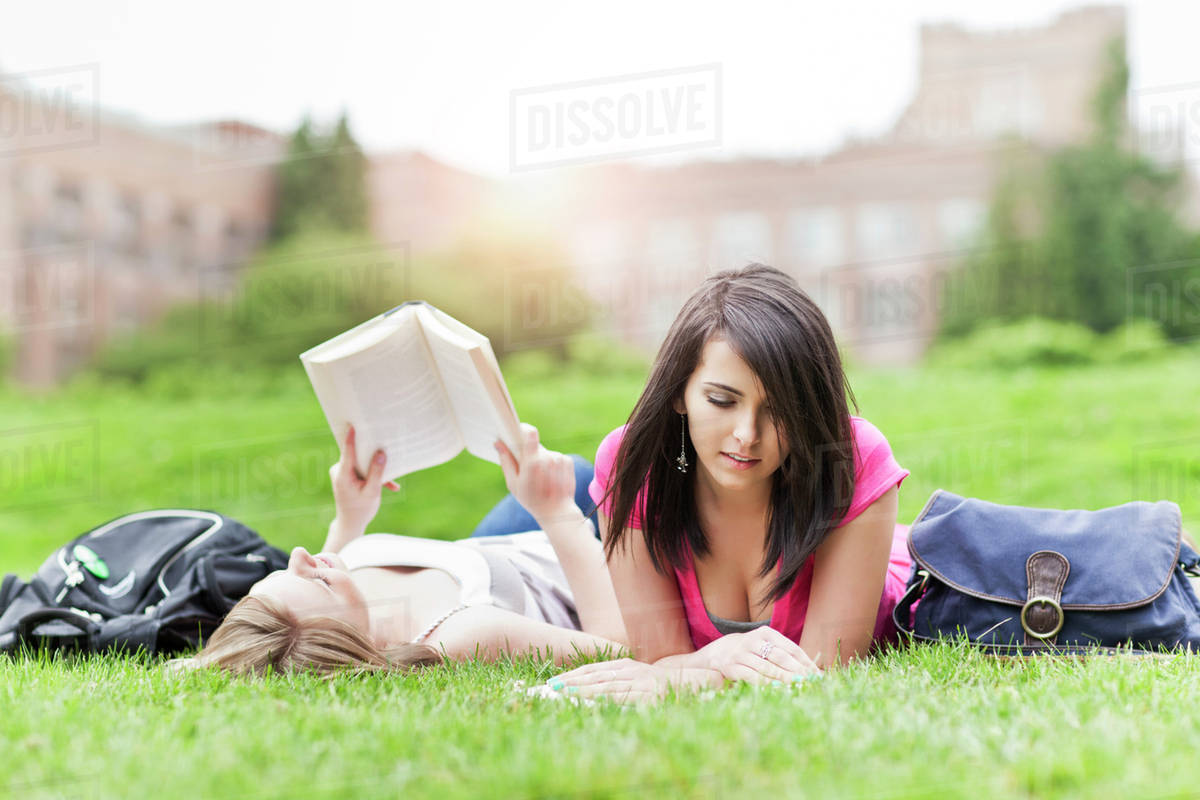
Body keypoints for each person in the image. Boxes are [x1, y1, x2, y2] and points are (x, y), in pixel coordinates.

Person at [544, 264, 913, 702]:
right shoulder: (636, 465)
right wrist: (714, 659)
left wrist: (694, 672)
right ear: (680, 391)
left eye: (780, 410)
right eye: (722, 400)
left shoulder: (852, 458)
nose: (747, 434)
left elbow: (819, 677)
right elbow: (658, 657)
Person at [182, 424, 627, 677]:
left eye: (279, 574)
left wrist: (351, 516)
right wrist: (556, 514)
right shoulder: (464, 634)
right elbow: (618, 650)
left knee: (572, 466)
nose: (301, 555)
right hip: (581, 558)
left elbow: (318, 578)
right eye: (316, 578)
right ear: (350, 639)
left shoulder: (339, 598)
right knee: (603, 469)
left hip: (495, 551)